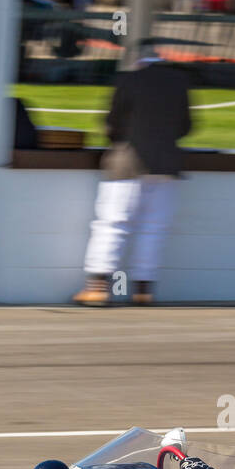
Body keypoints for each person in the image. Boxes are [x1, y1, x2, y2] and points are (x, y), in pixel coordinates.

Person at [73, 40, 192, 306]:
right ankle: (143, 290)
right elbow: (186, 127)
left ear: (138, 61)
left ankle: (98, 288)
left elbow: (112, 124)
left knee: (112, 224)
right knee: (154, 228)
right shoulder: (179, 82)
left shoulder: (128, 80)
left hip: (127, 162)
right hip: (166, 165)